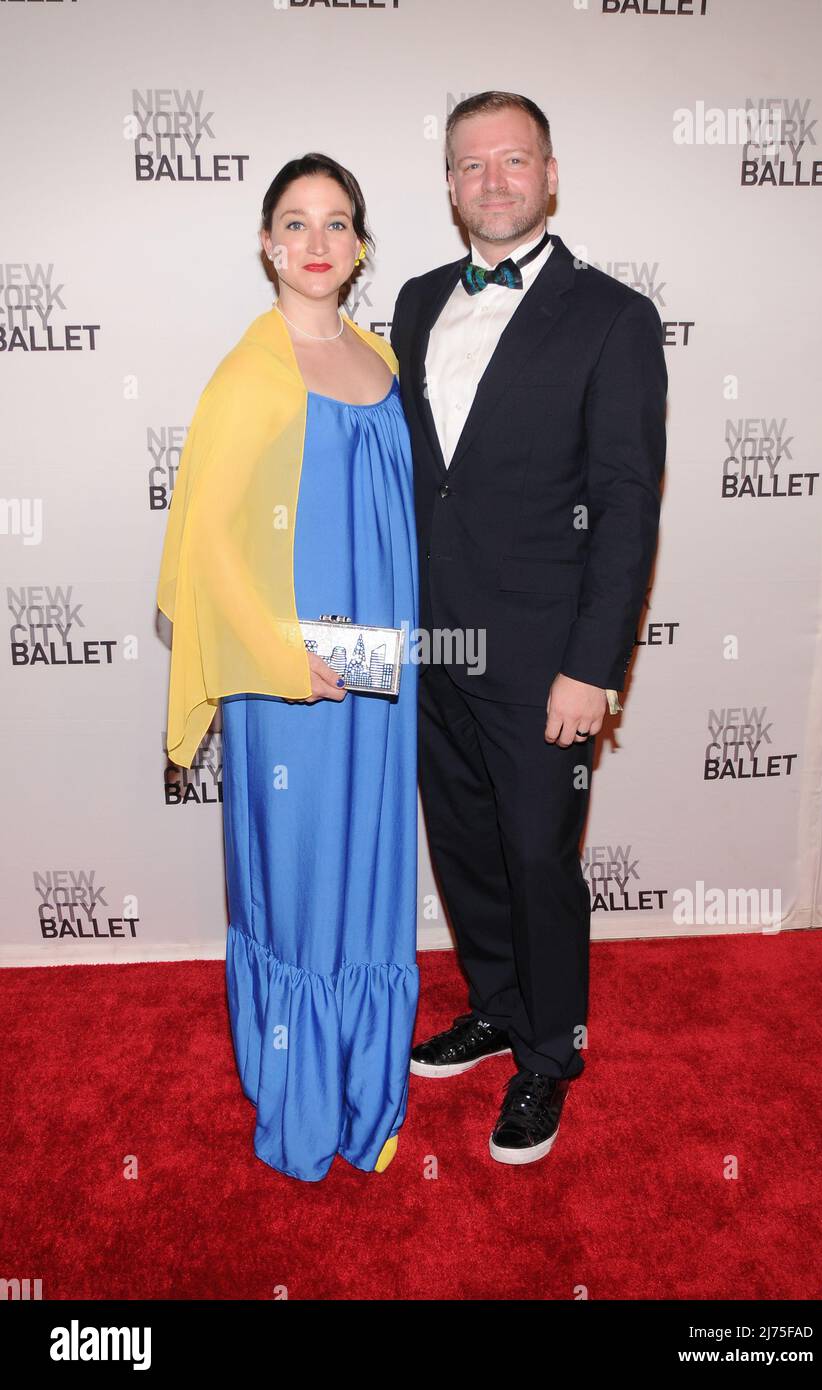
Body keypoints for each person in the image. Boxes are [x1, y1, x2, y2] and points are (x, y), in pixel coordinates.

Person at [391, 92, 667, 1165]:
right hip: (433, 648)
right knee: (463, 847)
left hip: (543, 658)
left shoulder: (611, 316)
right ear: (450, 185)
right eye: (471, 163)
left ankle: (549, 1055)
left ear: (550, 176)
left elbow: (626, 504)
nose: (492, 180)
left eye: (514, 160)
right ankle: (498, 1004)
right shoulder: (413, 303)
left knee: (537, 857)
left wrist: (589, 669)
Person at [156, 154, 420, 1182]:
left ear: (357, 247)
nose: (317, 241)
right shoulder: (248, 373)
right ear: (266, 243)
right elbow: (204, 542)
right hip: (294, 678)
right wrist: (277, 653)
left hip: (377, 670)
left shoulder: (379, 360)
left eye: (337, 222)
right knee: (305, 882)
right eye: (296, 222)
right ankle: (305, 1098)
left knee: (372, 874)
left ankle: (368, 1086)